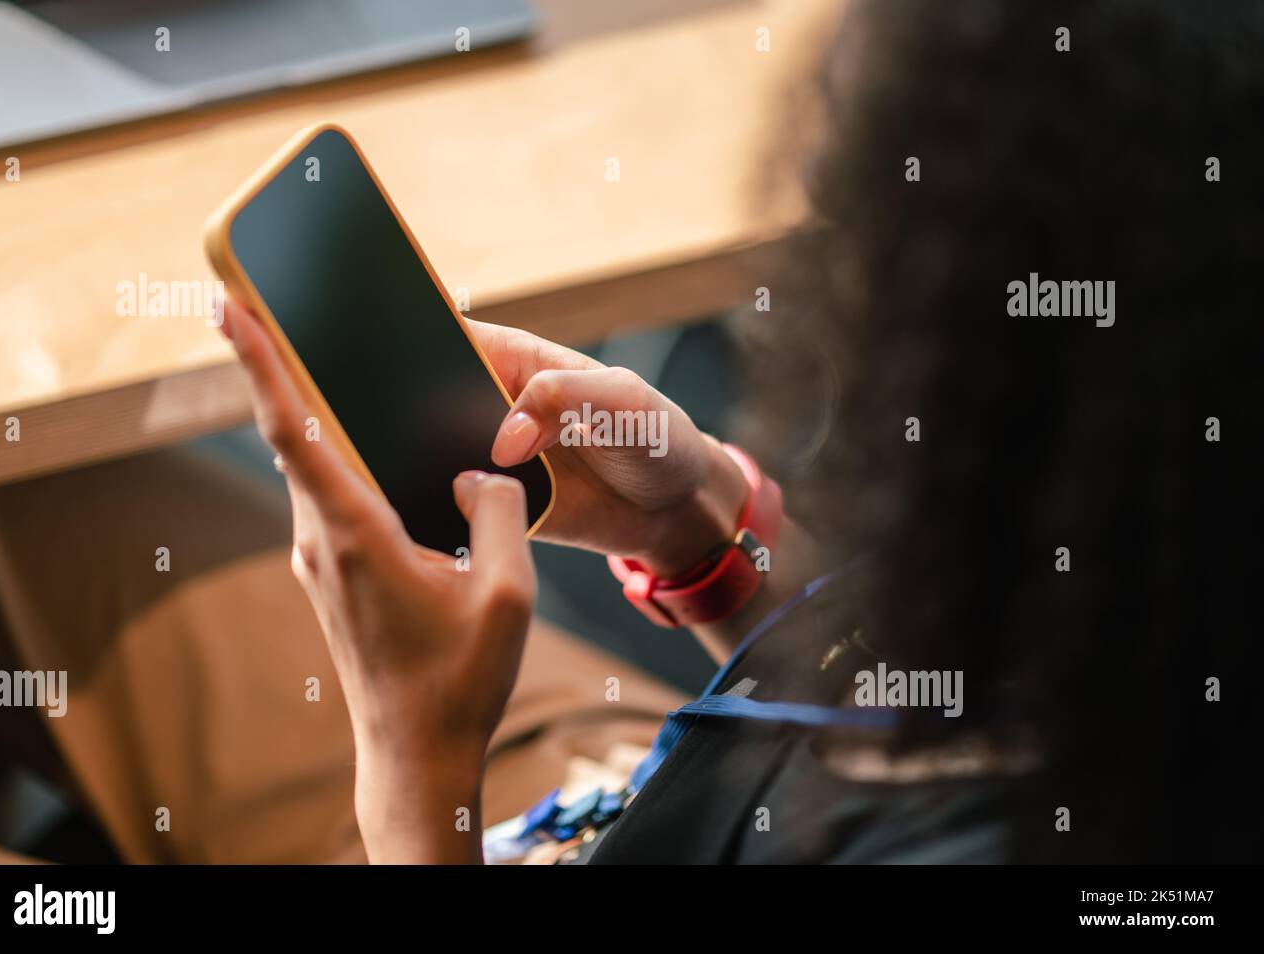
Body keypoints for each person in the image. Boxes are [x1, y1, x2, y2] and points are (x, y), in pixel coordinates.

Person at [215, 0, 1260, 865]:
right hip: (651, 785)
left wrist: (413, 769)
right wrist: (701, 538)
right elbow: (897, 698)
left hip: (476, 801)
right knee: (67, 521)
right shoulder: (1139, 589)